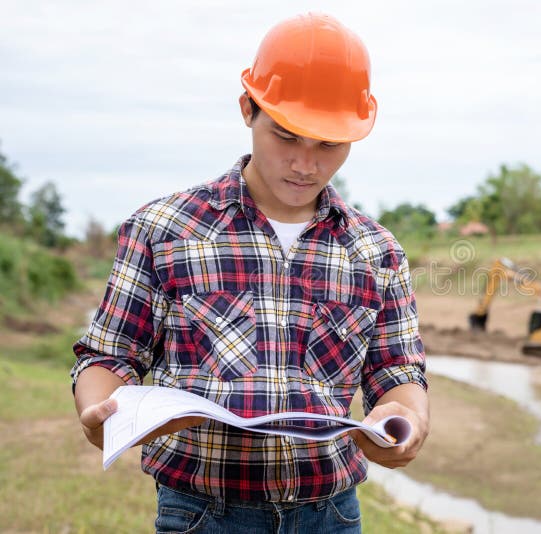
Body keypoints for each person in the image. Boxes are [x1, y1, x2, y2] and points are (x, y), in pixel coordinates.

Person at [71, 13, 429, 533]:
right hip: (202, 514)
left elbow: (396, 373)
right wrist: (101, 410)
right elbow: (111, 356)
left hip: (331, 514)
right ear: (247, 110)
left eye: (329, 144)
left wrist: (406, 420)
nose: (306, 164)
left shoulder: (376, 251)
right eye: (286, 136)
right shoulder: (163, 229)